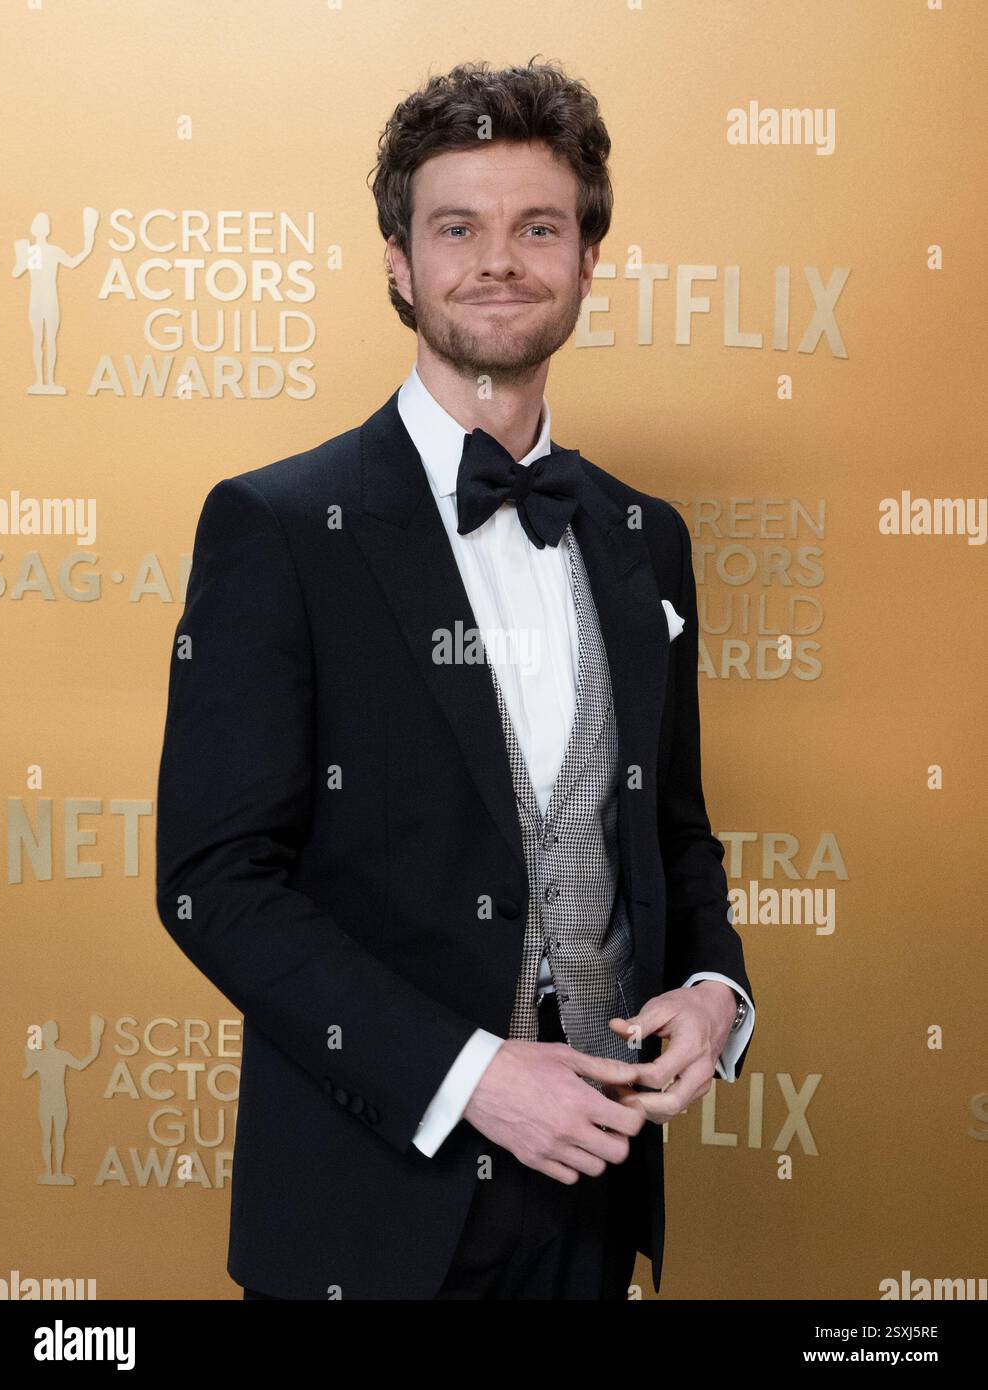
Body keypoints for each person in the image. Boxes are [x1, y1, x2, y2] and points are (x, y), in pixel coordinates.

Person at [155, 57, 755, 1302]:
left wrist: (713, 990)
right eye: (456, 227)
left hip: (597, 1187)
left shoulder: (646, 538)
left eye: (538, 226)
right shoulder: (277, 525)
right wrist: (470, 1073)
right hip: (367, 1207)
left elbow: (668, 829)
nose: (498, 260)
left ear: (588, 259)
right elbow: (215, 880)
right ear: (397, 260)